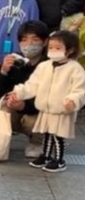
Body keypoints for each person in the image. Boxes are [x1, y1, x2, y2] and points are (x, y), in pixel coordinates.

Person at [9, 30, 85, 173]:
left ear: (70, 50)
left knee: (58, 137)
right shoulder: (44, 66)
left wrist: (73, 100)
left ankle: (59, 159)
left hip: (62, 110)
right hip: (46, 108)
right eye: (51, 47)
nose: (53, 51)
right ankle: (46, 156)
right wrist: (19, 92)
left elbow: (80, 89)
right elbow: (33, 84)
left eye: (58, 48)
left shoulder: (75, 69)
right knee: (47, 134)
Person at [0, 20, 49, 158]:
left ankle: (36, 141)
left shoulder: (48, 65)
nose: (29, 44)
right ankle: (3, 138)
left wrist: (24, 106)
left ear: (45, 42)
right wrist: (3, 71)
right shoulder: (14, 60)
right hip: (14, 108)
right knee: (4, 109)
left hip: (37, 110)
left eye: (35, 40)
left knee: (35, 119)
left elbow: (48, 98)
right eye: (24, 40)